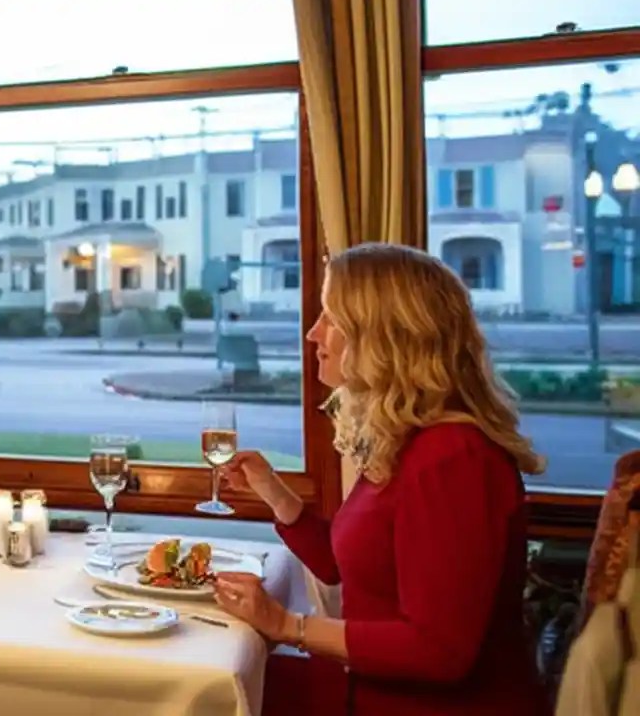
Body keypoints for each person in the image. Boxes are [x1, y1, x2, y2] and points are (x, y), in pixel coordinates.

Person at [215, 243, 549, 715]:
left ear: (385, 336)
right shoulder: (410, 440)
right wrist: (275, 493)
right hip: (372, 691)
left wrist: (286, 626)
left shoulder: (454, 461)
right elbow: (342, 565)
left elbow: (439, 651)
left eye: (331, 318)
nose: (313, 334)